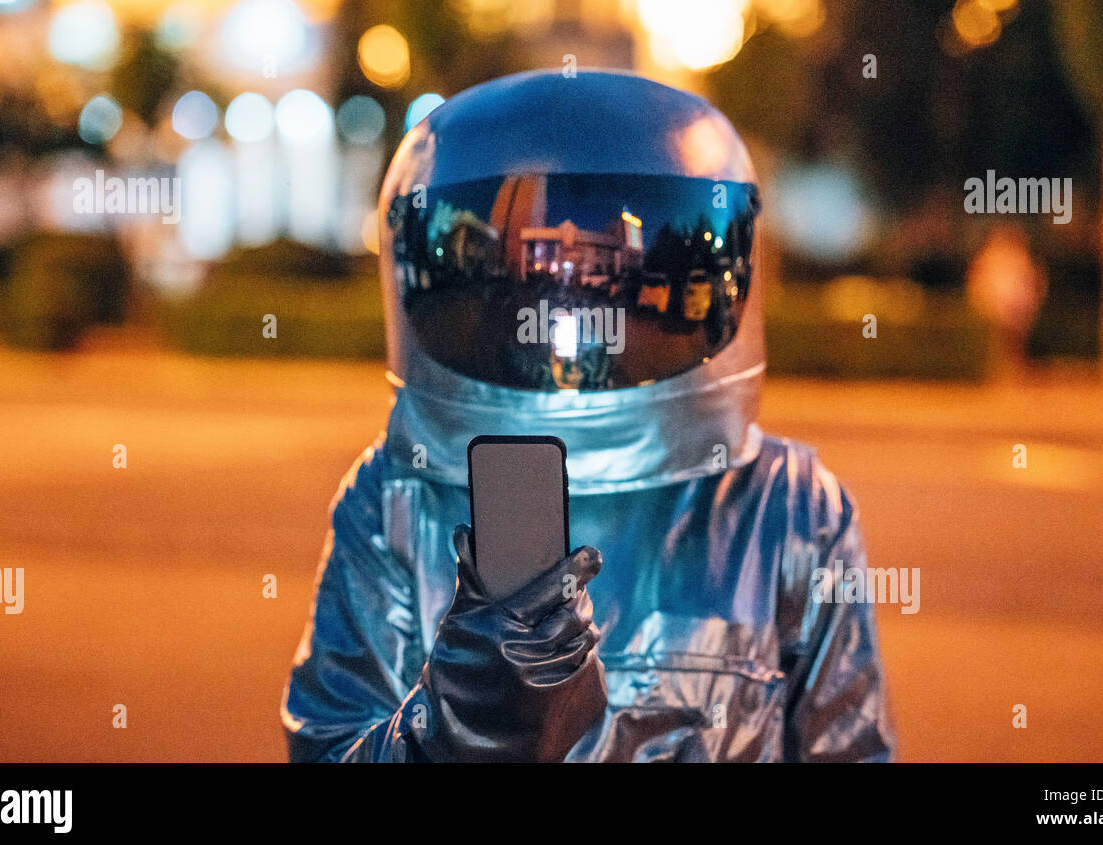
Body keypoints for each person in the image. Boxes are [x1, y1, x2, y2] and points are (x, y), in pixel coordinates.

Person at [282, 69, 895, 762]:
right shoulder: (394, 499)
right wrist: (457, 724)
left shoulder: (789, 507)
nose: (566, 331)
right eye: (530, 286)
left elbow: (849, 748)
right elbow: (329, 747)